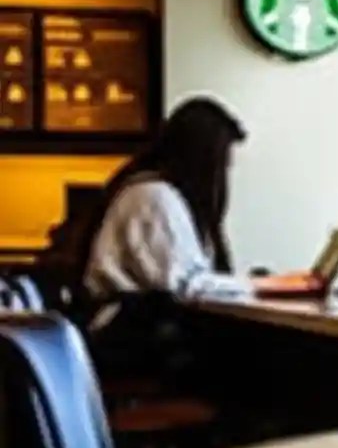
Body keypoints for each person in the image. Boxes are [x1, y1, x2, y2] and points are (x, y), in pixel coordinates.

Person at [77, 97, 252, 343]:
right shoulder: (154, 197)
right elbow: (184, 287)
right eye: (223, 165)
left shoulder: (154, 192)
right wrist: (260, 285)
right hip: (128, 339)